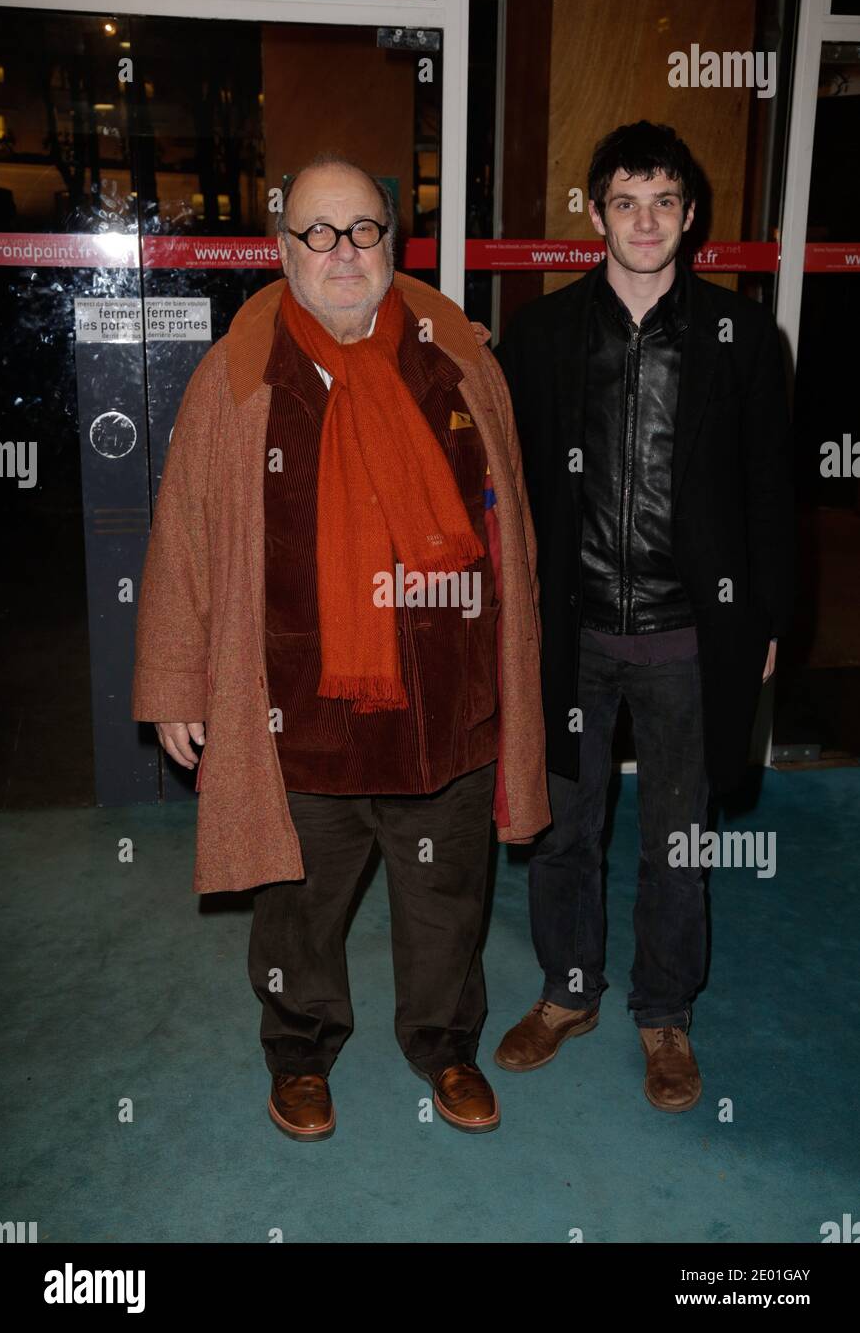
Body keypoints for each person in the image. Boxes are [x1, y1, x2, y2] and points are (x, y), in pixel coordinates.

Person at [131, 155, 549, 1141]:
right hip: (297, 719)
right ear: (283, 250)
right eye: (317, 233)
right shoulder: (237, 378)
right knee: (297, 913)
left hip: (443, 712)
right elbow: (184, 535)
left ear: (389, 242)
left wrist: (517, 679)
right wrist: (179, 682)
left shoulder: (457, 360)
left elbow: (511, 534)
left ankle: (445, 1045)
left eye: (360, 229)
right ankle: (300, 1050)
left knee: (446, 903)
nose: (340, 252)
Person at [492, 121, 793, 1112]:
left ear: (689, 215)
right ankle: (568, 989)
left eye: (663, 200)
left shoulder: (741, 338)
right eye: (624, 201)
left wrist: (764, 625)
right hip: (571, 632)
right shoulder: (536, 336)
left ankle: (663, 1012)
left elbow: (768, 494)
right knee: (560, 830)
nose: (644, 220)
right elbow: (508, 488)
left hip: (685, 636)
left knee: (679, 839)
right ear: (593, 214)